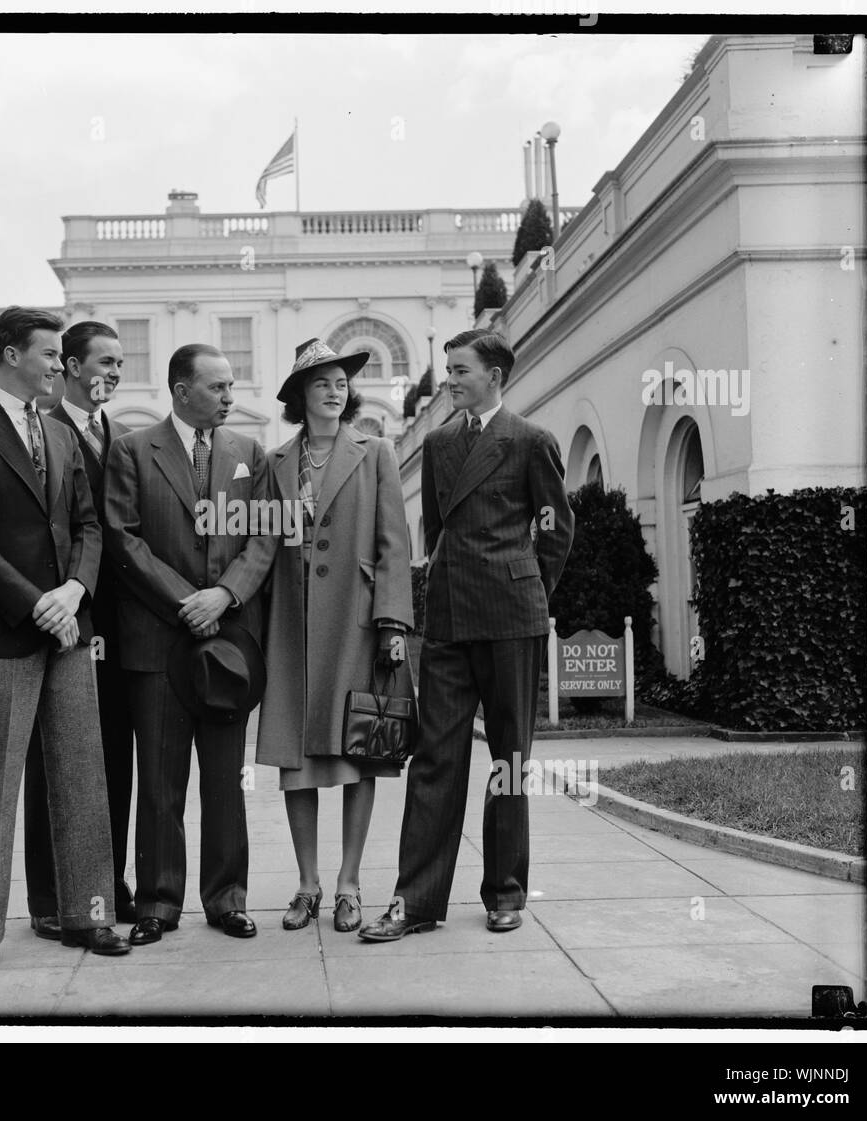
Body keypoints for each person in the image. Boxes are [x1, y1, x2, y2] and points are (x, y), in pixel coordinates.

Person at [0, 306, 131, 975]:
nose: (58, 364)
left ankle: (91, 913)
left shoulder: (62, 435)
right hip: (2, 636)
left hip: (72, 630)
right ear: (11, 354)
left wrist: (74, 592)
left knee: (83, 777)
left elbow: (90, 527)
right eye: (48, 354)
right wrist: (37, 605)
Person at [359, 330, 573, 941]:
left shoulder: (532, 441)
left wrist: (527, 588)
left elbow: (554, 529)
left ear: (495, 375)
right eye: (448, 369)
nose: (449, 379)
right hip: (451, 621)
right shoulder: (439, 442)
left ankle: (506, 893)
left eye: (460, 370)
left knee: (507, 758)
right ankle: (415, 901)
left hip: (511, 620)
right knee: (435, 760)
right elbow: (435, 534)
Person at [103, 344, 276, 945]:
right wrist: (186, 602)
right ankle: (158, 902)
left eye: (231, 387)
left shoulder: (248, 454)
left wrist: (223, 596)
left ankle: (227, 900)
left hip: (228, 646)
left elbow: (265, 538)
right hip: (157, 645)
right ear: (181, 391)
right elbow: (123, 541)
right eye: (219, 388)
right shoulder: (130, 451)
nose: (232, 397)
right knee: (159, 781)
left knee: (225, 782)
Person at [255, 339, 414, 934]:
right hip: (290, 629)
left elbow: (394, 542)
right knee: (296, 758)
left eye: (341, 380)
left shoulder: (376, 453)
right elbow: (261, 548)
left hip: (357, 621)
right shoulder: (275, 462)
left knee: (358, 753)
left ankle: (349, 885)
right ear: (301, 394)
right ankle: (307, 885)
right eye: (320, 381)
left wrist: (394, 623)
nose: (334, 389)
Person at [23, 321, 137, 939]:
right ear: (68, 366)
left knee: (115, 760)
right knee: (53, 763)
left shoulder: (118, 437)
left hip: (118, 630)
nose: (114, 373)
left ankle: (108, 883)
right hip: (64, 621)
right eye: (104, 362)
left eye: (121, 364)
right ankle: (48, 898)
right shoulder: (43, 431)